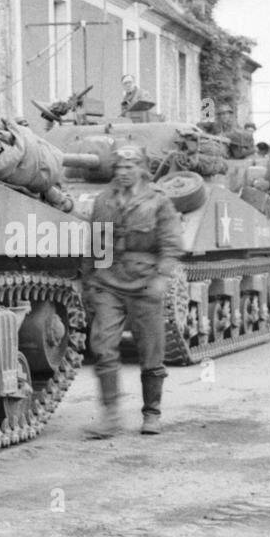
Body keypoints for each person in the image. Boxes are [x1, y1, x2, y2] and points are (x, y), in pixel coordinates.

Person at [84, 144, 183, 437]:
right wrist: (90, 280)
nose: (123, 172)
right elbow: (97, 243)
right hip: (108, 282)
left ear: (142, 168)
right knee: (103, 347)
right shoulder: (104, 200)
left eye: (129, 166)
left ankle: (151, 413)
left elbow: (170, 243)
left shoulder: (158, 201)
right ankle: (110, 417)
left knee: (151, 351)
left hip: (145, 282)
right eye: (119, 167)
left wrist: (162, 277)